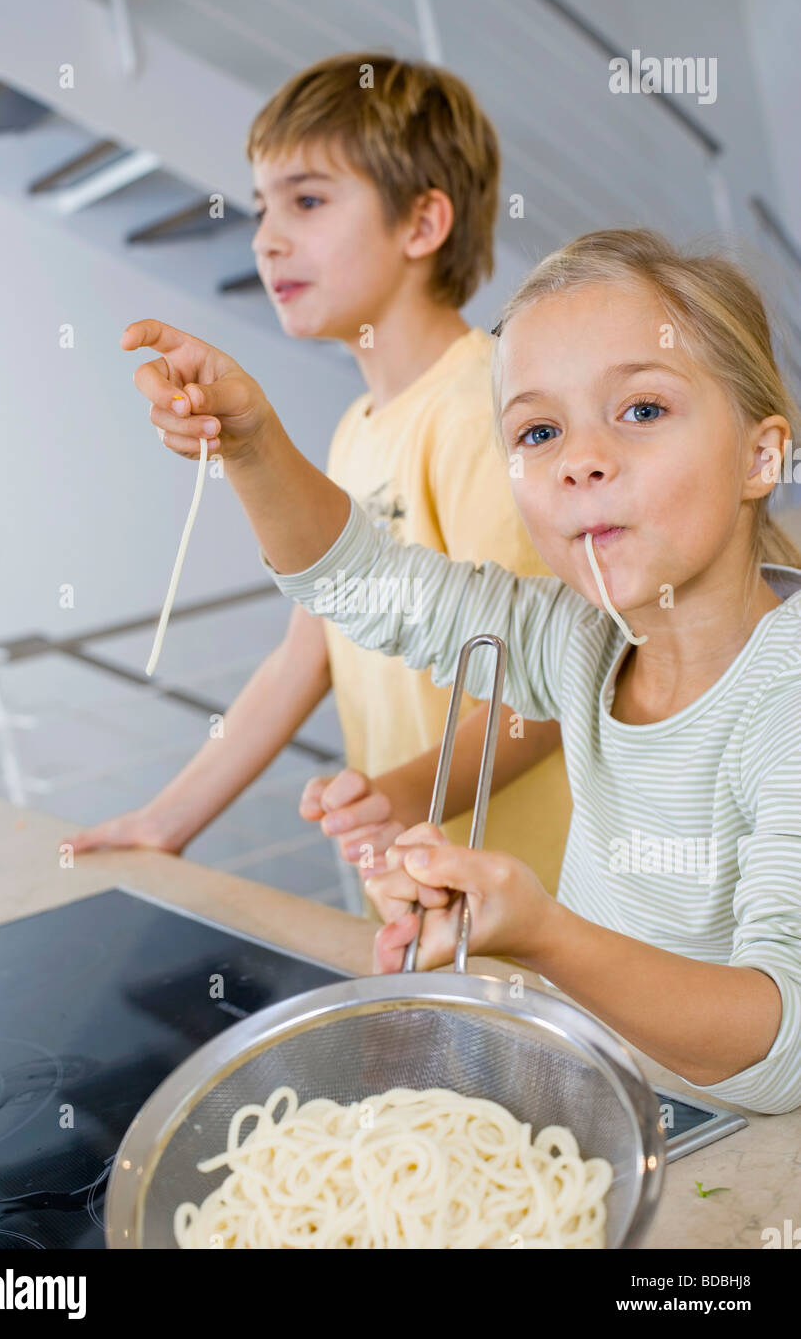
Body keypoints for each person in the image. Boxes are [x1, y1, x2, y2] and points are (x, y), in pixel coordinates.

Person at [114, 227, 801, 1114]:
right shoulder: (578, 640)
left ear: (761, 454)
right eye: (539, 430)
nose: (579, 460)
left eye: (641, 410)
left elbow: (778, 1047)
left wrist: (544, 934)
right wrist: (251, 446)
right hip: (615, 1105)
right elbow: (360, 581)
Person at [71, 53, 572, 910]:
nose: (265, 237)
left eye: (306, 201)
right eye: (264, 206)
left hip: (531, 905)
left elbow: (555, 684)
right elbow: (307, 655)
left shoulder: (483, 407)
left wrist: (405, 794)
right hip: (427, 904)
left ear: (423, 224)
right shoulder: (354, 430)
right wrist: (166, 818)